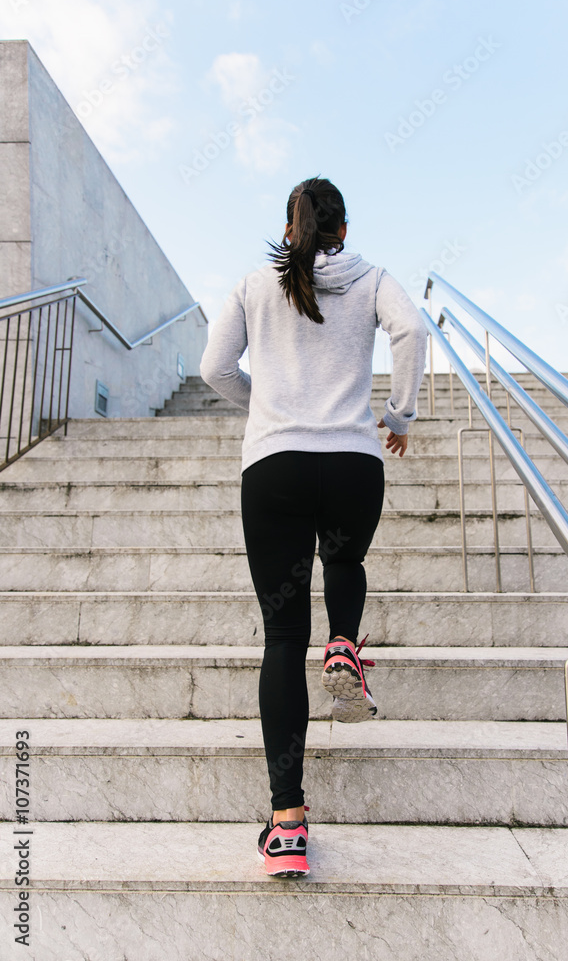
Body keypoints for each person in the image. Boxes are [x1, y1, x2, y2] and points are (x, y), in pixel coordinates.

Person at [199, 176, 428, 878]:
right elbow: (413, 329)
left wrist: (262, 406)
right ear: (344, 230)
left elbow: (213, 369)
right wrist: (399, 415)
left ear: (290, 227)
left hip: (275, 469)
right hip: (354, 461)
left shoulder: (251, 284)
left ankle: (288, 825)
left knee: (278, 639)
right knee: (346, 564)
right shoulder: (373, 277)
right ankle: (344, 648)